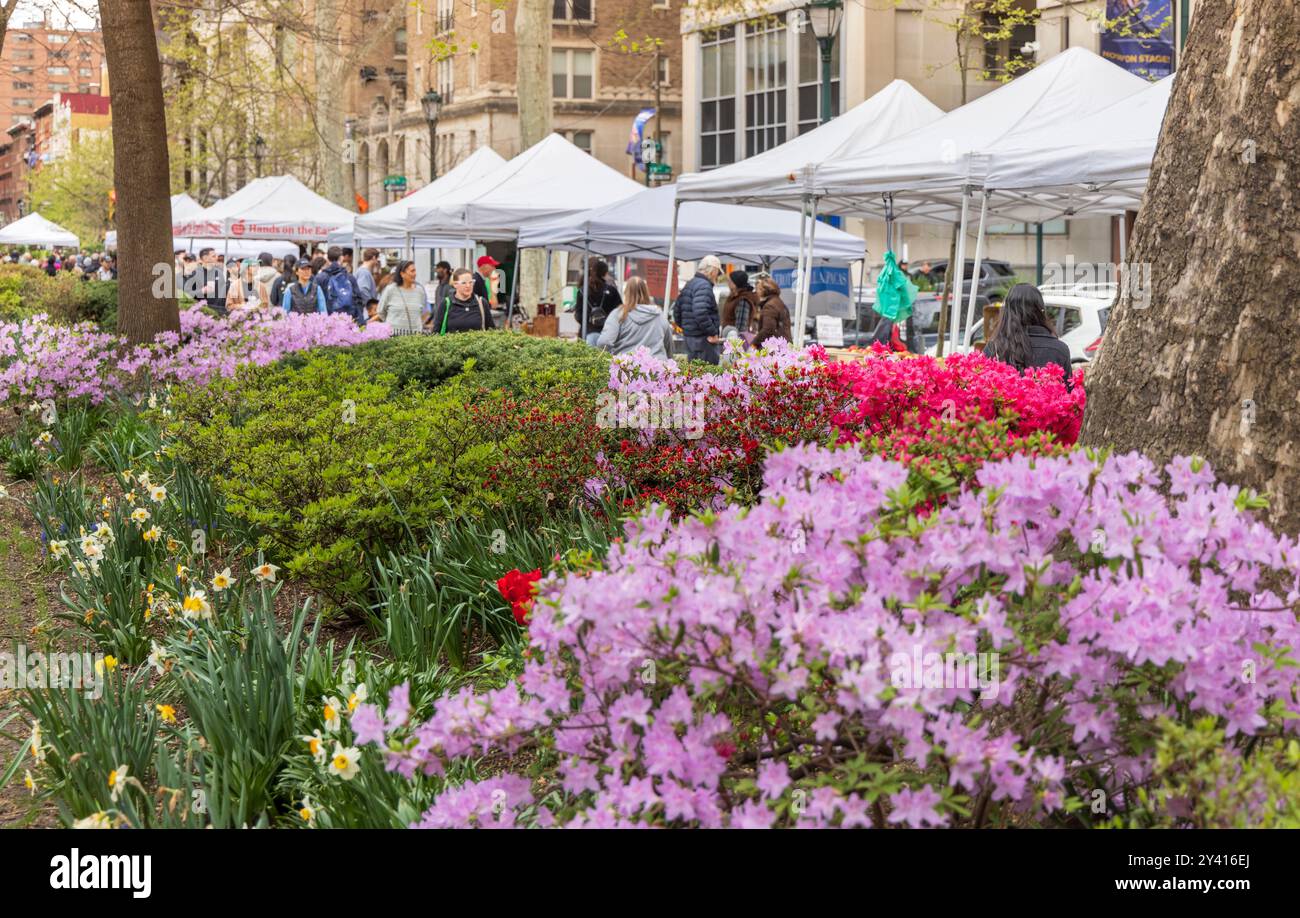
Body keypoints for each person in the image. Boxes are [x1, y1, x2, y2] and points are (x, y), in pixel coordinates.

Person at [982, 283, 1073, 387]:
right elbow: (1068, 396)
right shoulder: (1060, 349)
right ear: (1041, 311)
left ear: (1007, 313)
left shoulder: (994, 347)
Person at [597, 276, 673, 359]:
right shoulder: (659, 315)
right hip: (655, 366)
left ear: (626, 292)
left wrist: (611, 357)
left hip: (626, 366)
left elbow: (604, 342)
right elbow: (669, 345)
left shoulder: (619, 314)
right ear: (646, 292)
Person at [672, 254, 724, 365]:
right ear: (713, 271)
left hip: (690, 338)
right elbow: (700, 311)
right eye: (718, 272)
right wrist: (712, 333)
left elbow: (677, 310)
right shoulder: (704, 285)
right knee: (707, 376)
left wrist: (687, 328)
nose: (717, 276)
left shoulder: (690, 283)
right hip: (703, 341)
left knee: (695, 375)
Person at [429, 267, 495, 334]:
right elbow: (435, 332)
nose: (468, 286)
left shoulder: (481, 303)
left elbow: (491, 331)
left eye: (471, 282)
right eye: (464, 283)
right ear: (455, 284)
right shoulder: (446, 303)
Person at [377, 260, 428, 335]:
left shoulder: (420, 291)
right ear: (402, 274)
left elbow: (423, 312)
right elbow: (381, 311)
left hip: (415, 338)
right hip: (394, 337)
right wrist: (391, 324)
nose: (415, 274)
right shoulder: (390, 290)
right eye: (412, 271)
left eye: (415, 271)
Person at [578, 258, 621, 346]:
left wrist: (589, 322)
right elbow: (620, 311)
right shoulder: (611, 290)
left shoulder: (582, 291)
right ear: (605, 273)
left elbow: (578, 314)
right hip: (607, 334)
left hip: (586, 332)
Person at [318, 245, 364, 323]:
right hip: (348, 319)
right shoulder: (349, 277)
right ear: (341, 258)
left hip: (328, 320)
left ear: (327, 259)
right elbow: (359, 299)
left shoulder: (320, 277)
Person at [752, 275, 792, 350]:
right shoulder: (778, 302)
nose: (756, 292)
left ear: (763, 290)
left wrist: (754, 342)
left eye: (758, 289)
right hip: (783, 345)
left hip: (775, 348)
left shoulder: (770, 306)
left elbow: (768, 329)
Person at [720, 270, 759, 341]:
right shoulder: (734, 297)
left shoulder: (743, 300)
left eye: (730, 281)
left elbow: (741, 327)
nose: (728, 283)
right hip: (729, 339)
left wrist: (737, 346)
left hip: (736, 342)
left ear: (735, 283)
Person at [197, 247, 227, 315]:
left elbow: (223, 292)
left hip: (218, 311)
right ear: (205, 258)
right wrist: (202, 291)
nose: (217, 258)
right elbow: (188, 294)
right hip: (201, 311)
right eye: (213, 256)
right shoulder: (195, 273)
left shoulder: (219, 272)